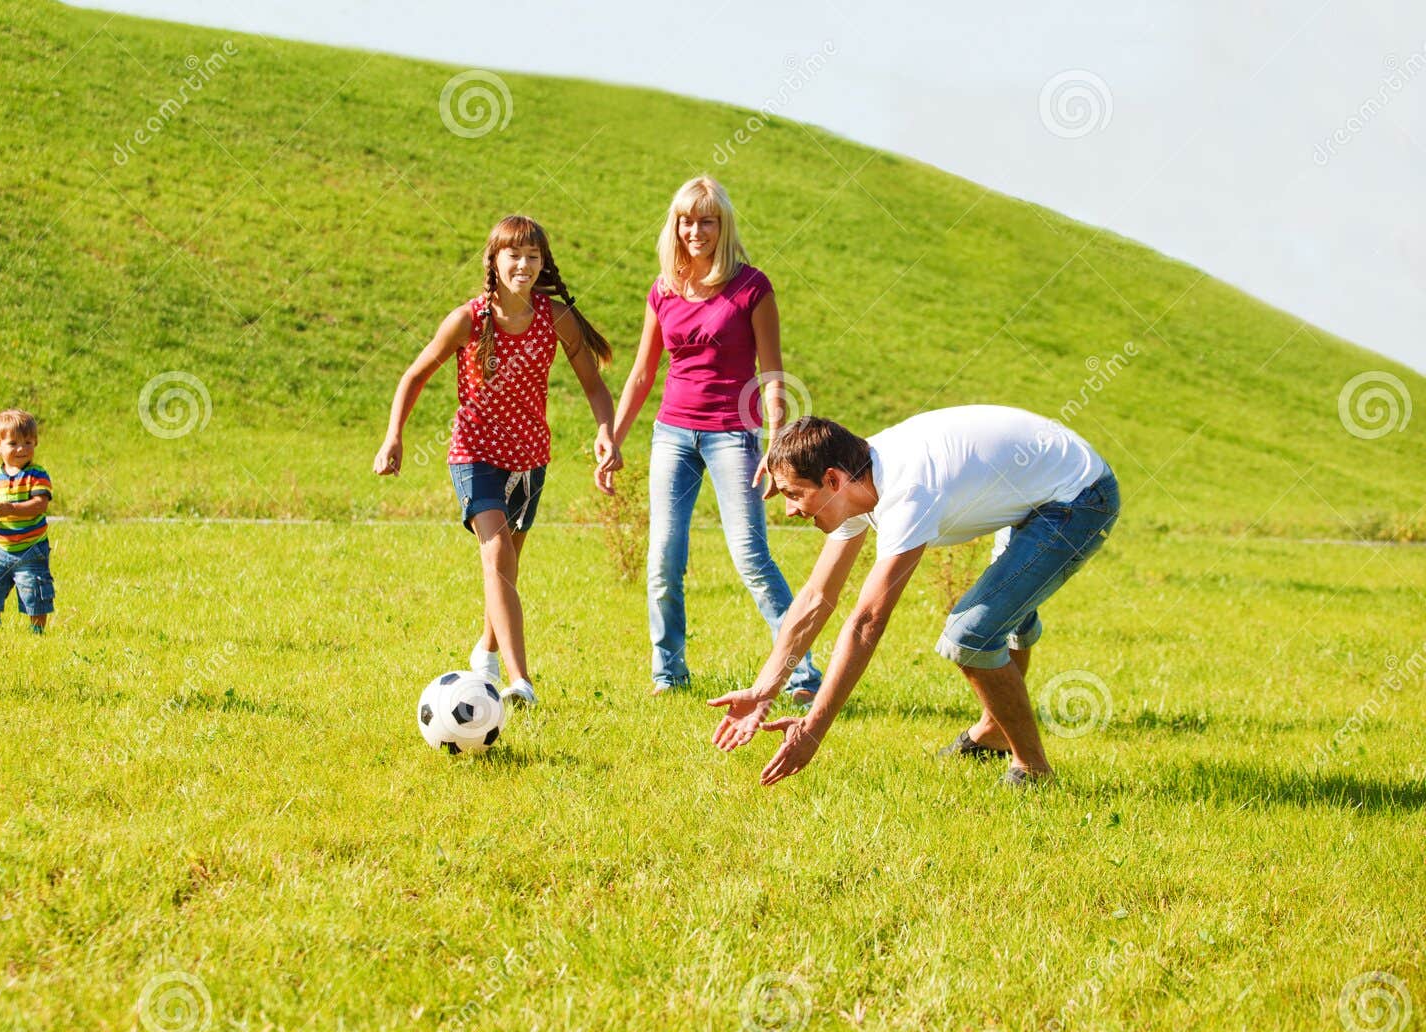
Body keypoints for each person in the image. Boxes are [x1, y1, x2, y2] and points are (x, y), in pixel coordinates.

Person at [708, 407, 1120, 787]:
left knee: (970, 634)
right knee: (1000, 613)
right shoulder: (857, 480)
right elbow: (817, 596)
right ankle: (994, 733)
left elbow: (867, 621)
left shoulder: (907, 491)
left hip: (1078, 496)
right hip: (1038, 486)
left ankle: (1033, 771)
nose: (791, 511)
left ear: (831, 479)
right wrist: (766, 686)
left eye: (794, 494)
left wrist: (813, 729)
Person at [373, 215, 620, 706]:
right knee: (497, 555)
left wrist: (605, 431)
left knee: (507, 566)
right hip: (475, 453)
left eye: (533, 256)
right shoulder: (469, 319)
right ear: (494, 260)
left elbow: (594, 386)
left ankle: (485, 652)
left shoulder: (556, 319)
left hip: (531, 456)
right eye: (514, 255)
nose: (524, 265)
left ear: (543, 263)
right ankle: (520, 681)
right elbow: (414, 376)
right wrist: (393, 437)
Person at [606, 176, 821, 700]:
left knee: (751, 556)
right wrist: (613, 438)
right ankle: (668, 673)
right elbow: (641, 375)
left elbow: (772, 375)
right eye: (686, 220)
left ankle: (801, 673)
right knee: (663, 558)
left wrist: (775, 446)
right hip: (672, 436)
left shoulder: (752, 287)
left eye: (707, 221)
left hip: (733, 435)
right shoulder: (663, 289)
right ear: (674, 226)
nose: (695, 231)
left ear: (722, 226)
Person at [0, 409, 55, 634]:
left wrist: (12, 509)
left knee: (34, 589)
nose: (21, 448)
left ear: (35, 443)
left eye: (28, 442)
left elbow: (40, 504)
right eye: (13, 443)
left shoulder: (37, 474)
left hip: (31, 548)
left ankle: (36, 632)